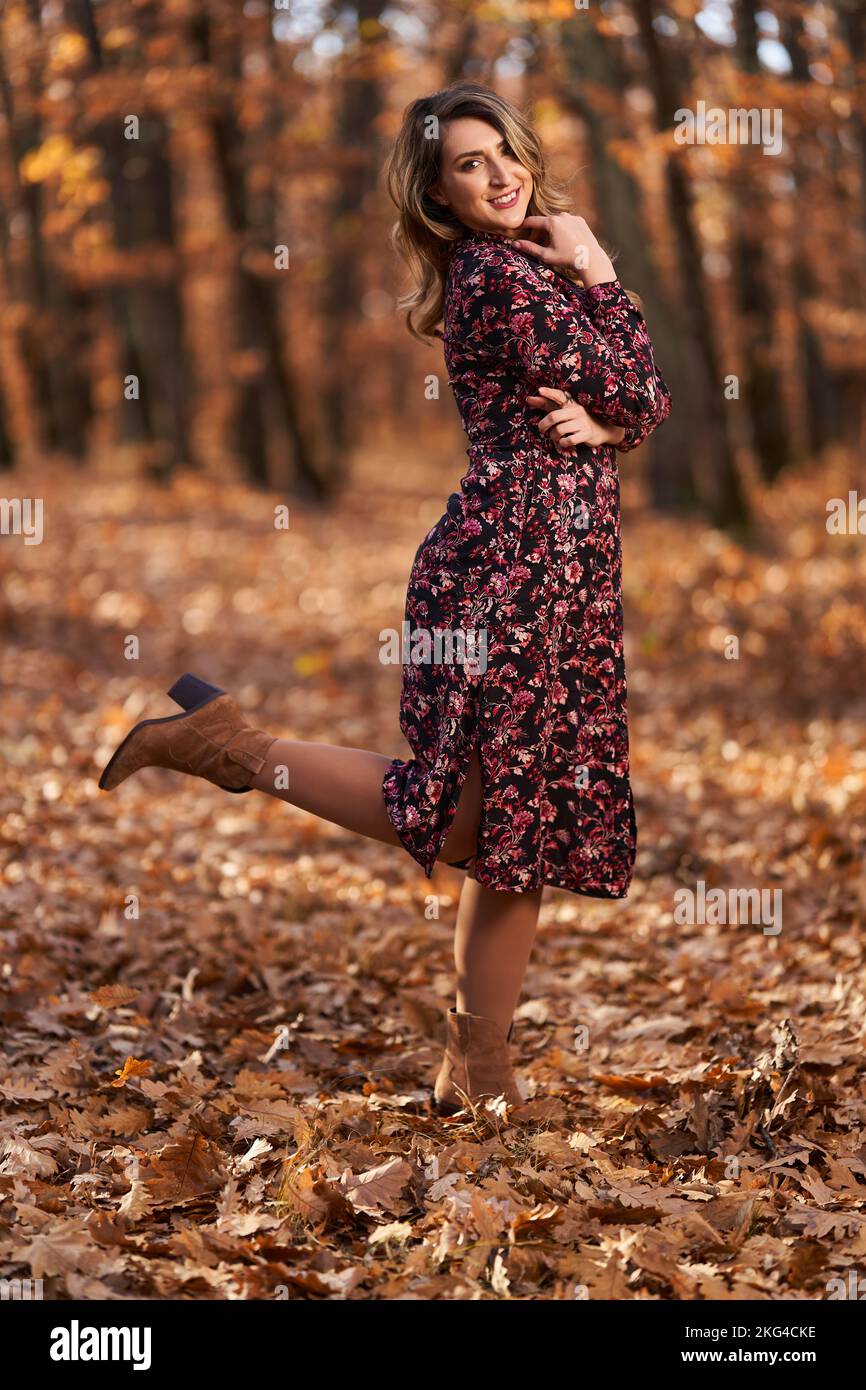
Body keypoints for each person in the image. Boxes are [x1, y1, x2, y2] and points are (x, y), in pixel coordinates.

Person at [98, 81, 671, 1118]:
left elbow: (628, 402)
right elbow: (638, 387)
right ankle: (228, 745)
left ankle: (475, 1074)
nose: (497, 174)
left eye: (503, 153)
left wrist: (615, 415)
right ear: (438, 197)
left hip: (562, 576)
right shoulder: (497, 275)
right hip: (506, 572)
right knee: (474, 822)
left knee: (511, 835)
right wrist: (601, 274)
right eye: (466, 163)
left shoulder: (520, 274)